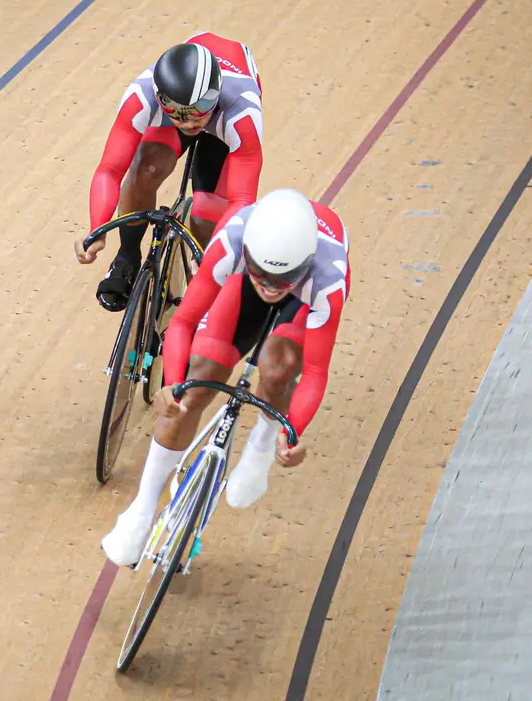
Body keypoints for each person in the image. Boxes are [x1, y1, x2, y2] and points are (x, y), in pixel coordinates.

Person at [100, 188, 352, 567]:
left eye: (281, 279)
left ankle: (262, 444)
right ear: (247, 253)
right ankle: (142, 507)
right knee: (195, 383)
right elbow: (183, 321)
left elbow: (315, 371)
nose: (269, 286)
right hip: (244, 281)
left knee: (279, 367)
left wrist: (291, 432)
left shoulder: (327, 280)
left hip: (303, 300)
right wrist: (172, 381)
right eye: (262, 274)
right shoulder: (233, 241)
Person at [73, 32, 265, 312]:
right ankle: (127, 257)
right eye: (176, 113)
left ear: (215, 93)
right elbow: (110, 170)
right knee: (145, 171)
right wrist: (97, 227)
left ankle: (203, 281)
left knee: (208, 210)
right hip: (196, 111)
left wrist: (217, 256)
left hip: (223, 120)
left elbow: (241, 201)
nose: (189, 122)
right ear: (160, 97)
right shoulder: (141, 96)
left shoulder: (242, 109)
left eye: (199, 109)